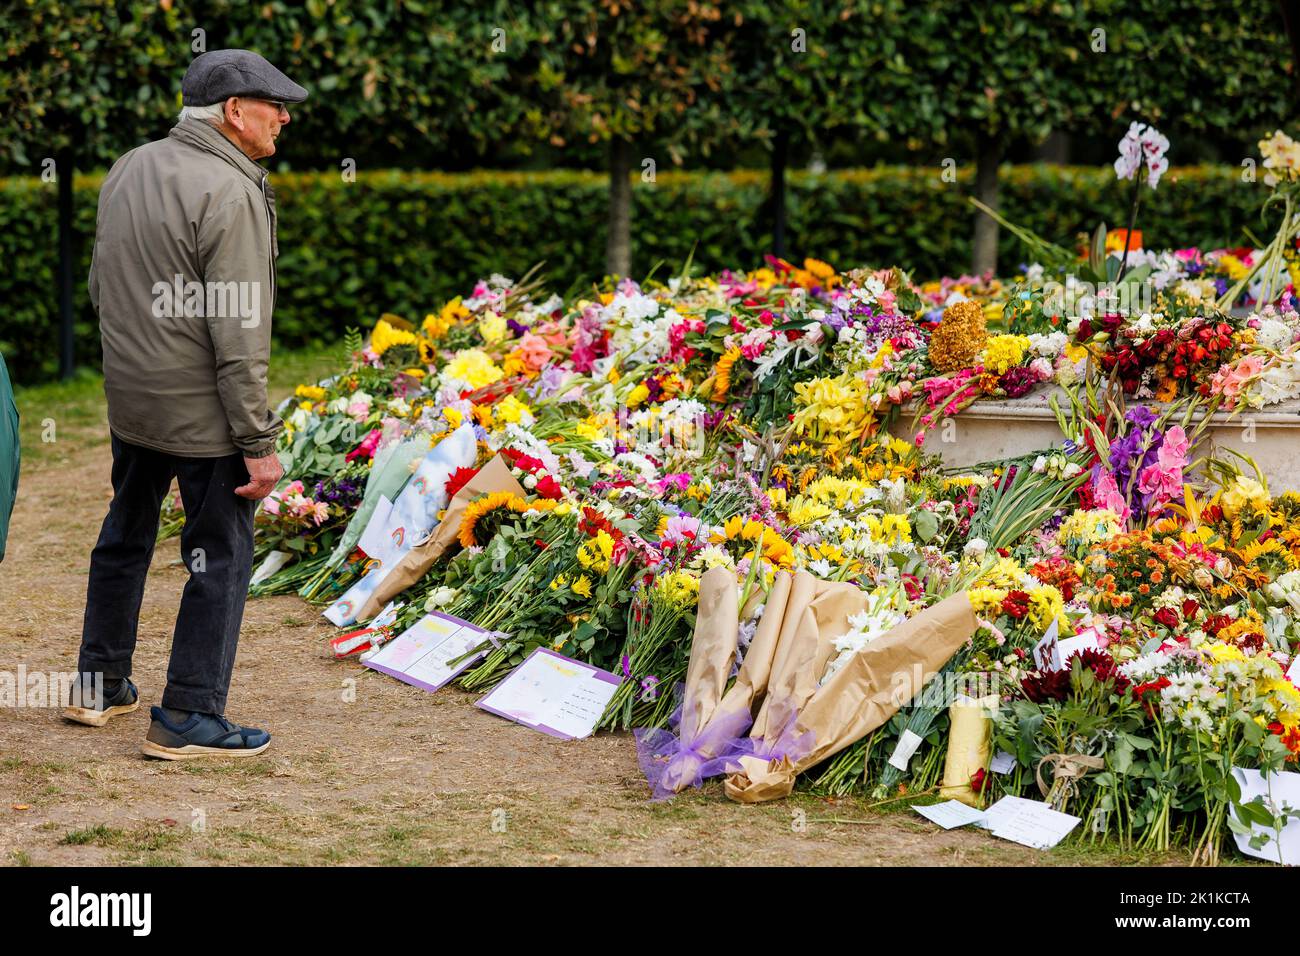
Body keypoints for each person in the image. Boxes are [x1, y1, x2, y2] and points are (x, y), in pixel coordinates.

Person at [64, 50, 308, 760]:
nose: (284, 118)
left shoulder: (129, 166)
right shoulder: (231, 191)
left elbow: (100, 289)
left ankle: (98, 683)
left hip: (134, 402)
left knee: (124, 538)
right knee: (219, 557)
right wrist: (258, 441)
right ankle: (188, 716)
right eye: (275, 105)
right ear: (235, 111)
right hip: (205, 418)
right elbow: (238, 334)